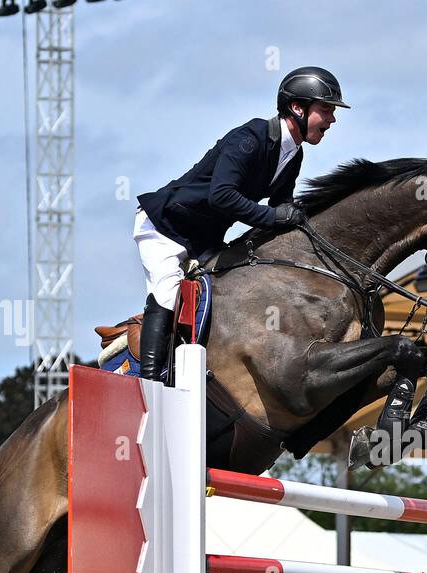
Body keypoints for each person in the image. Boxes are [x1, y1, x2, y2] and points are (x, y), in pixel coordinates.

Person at [132, 66, 349, 382]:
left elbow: (281, 207)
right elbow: (222, 196)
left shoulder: (293, 154)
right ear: (298, 108)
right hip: (164, 227)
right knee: (168, 297)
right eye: (326, 110)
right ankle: (149, 384)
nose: (332, 119)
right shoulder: (250, 138)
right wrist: (275, 217)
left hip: (205, 240)